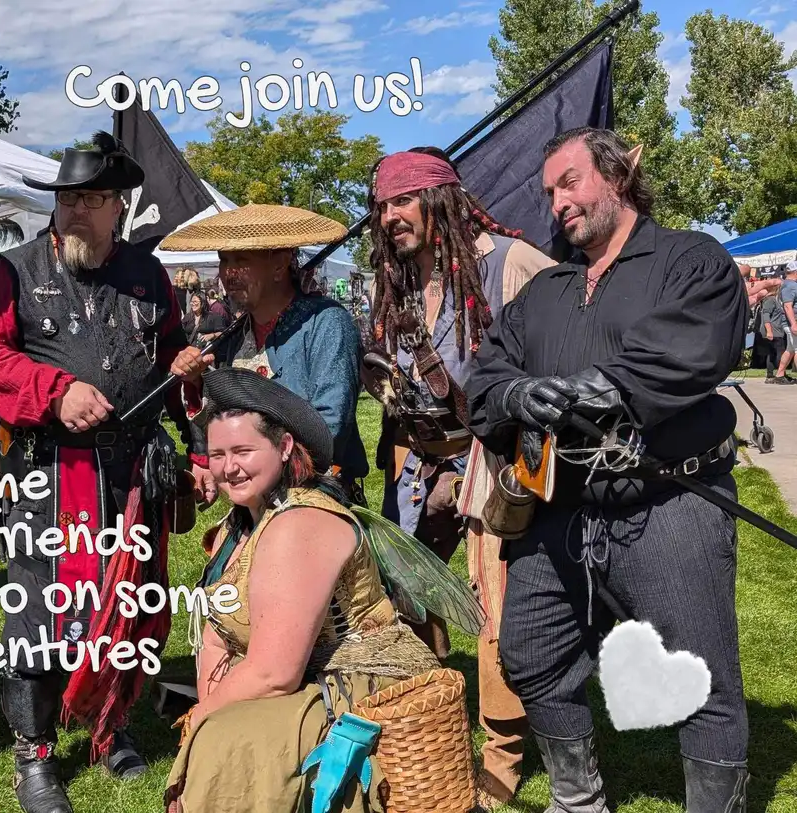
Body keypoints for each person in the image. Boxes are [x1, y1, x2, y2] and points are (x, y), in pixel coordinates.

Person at [465, 127, 750, 813]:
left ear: (618, 175)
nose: (558, 202)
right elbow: (486, 375)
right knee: (529, 651)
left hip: (667, 498)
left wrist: (596, 385)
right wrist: (515, 395)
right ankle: (579, 797)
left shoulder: (691, 259)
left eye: (570, 182)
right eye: (549, 192)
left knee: (700, 675)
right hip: (560, 509)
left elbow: (695, 345)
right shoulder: (546, 291)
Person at [0, 132, 212, 813]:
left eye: (92, 198)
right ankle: (34, 756)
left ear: (116, 208)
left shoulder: (147, 273)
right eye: (68, 197)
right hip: (49, 476)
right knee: (41, 615)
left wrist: (184, 368)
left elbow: (171, 351)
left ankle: (110, 726)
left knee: (124, 608)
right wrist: (53, 389)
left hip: (131, 476)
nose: (76, 209)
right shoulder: (11, 270)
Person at [165, 367, 475, 813]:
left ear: (284, 446)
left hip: (358, 688)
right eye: (217, 454)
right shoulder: (244, 522)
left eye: (243, 450)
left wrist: (201, 715)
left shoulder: (300, 523)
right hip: (306, 677)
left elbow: (275, 674)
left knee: (221, 742)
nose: (228, 467)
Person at [362, 146, 555, 807]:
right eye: (383, 205)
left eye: (402, 201)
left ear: (440, 200)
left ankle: (502, 750)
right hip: (414, 461)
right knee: (403, 601)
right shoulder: (398, 282)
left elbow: (564, 349)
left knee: (494, 609)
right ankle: (425, 725)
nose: (390, 216)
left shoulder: (511, 265)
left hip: (491, 461)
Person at [159, 204, 370, 503]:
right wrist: (197, 381)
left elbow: (330, 429)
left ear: (279, 264)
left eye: (241, 259)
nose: (228, 273)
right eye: (224, 259)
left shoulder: (327, 323)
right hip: (253, 500)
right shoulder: (234, 336)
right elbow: (224, 419)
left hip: (316, 500)